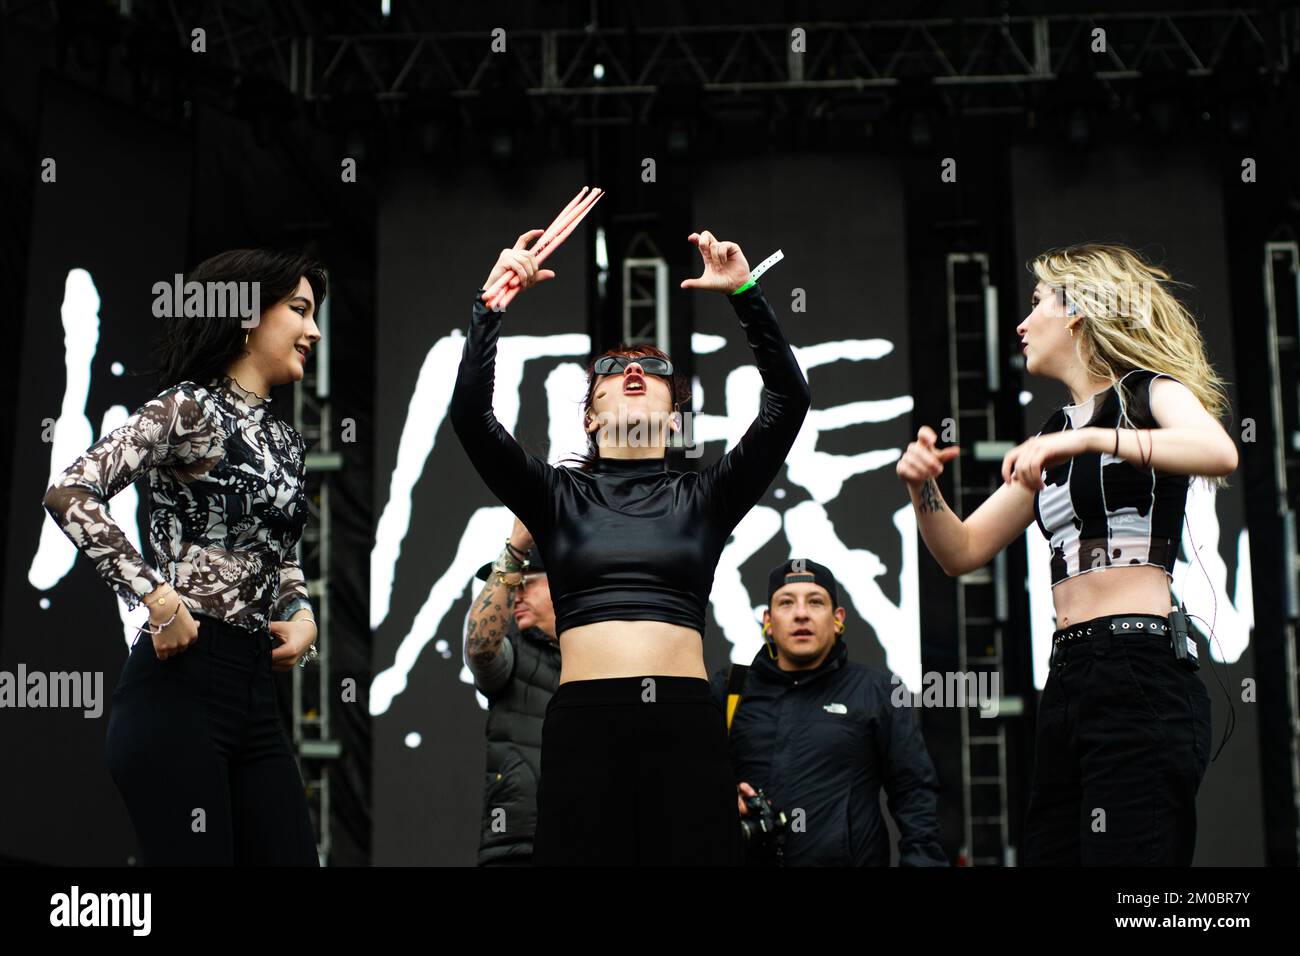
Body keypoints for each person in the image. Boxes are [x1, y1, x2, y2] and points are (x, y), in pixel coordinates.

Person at [449, 227, 811, 865]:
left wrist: (746, 293)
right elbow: (473, 418)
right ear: (591, 414)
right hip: (586, 722)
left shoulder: (705, 497)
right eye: (612, 371)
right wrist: (491, 308)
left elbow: (788, 401)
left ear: (675, 417)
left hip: (683, 722)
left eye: (655, 369)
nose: (636, 369)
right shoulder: (555, 496)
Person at [896, 242, 1236, 866]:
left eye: (1035, 304)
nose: (1022, 323)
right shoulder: (1053, 434)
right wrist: (923, 488)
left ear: (1078, 310)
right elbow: (962, 550)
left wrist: (1095, 438)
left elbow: (1218, 452)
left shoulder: (1147, 395)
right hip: (1070, 675)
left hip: (1139, 665)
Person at [42, 249, 325, 866]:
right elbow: (69, 490)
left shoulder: (286, 441)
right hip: (178, 690)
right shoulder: (188, 408)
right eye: (300, 310)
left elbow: (278, 555)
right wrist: (157, 597)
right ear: (247, 317)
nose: (314, 330)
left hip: (255, 697)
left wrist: (302, 617)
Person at [711, 559, 947, 867]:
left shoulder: (879, 690)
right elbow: (684, 780)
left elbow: (914, 792)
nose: (801, 614)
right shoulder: (730, 689)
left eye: (815, 602)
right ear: (767, 620)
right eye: (786, 603)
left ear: (837, 619)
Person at [465, 516, 560, 866]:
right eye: (511, 585)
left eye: (526, 585)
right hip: (516, 845)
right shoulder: (512, 653)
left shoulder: (598, 654)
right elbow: (479, 647)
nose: (515, 596)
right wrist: (514, 554)